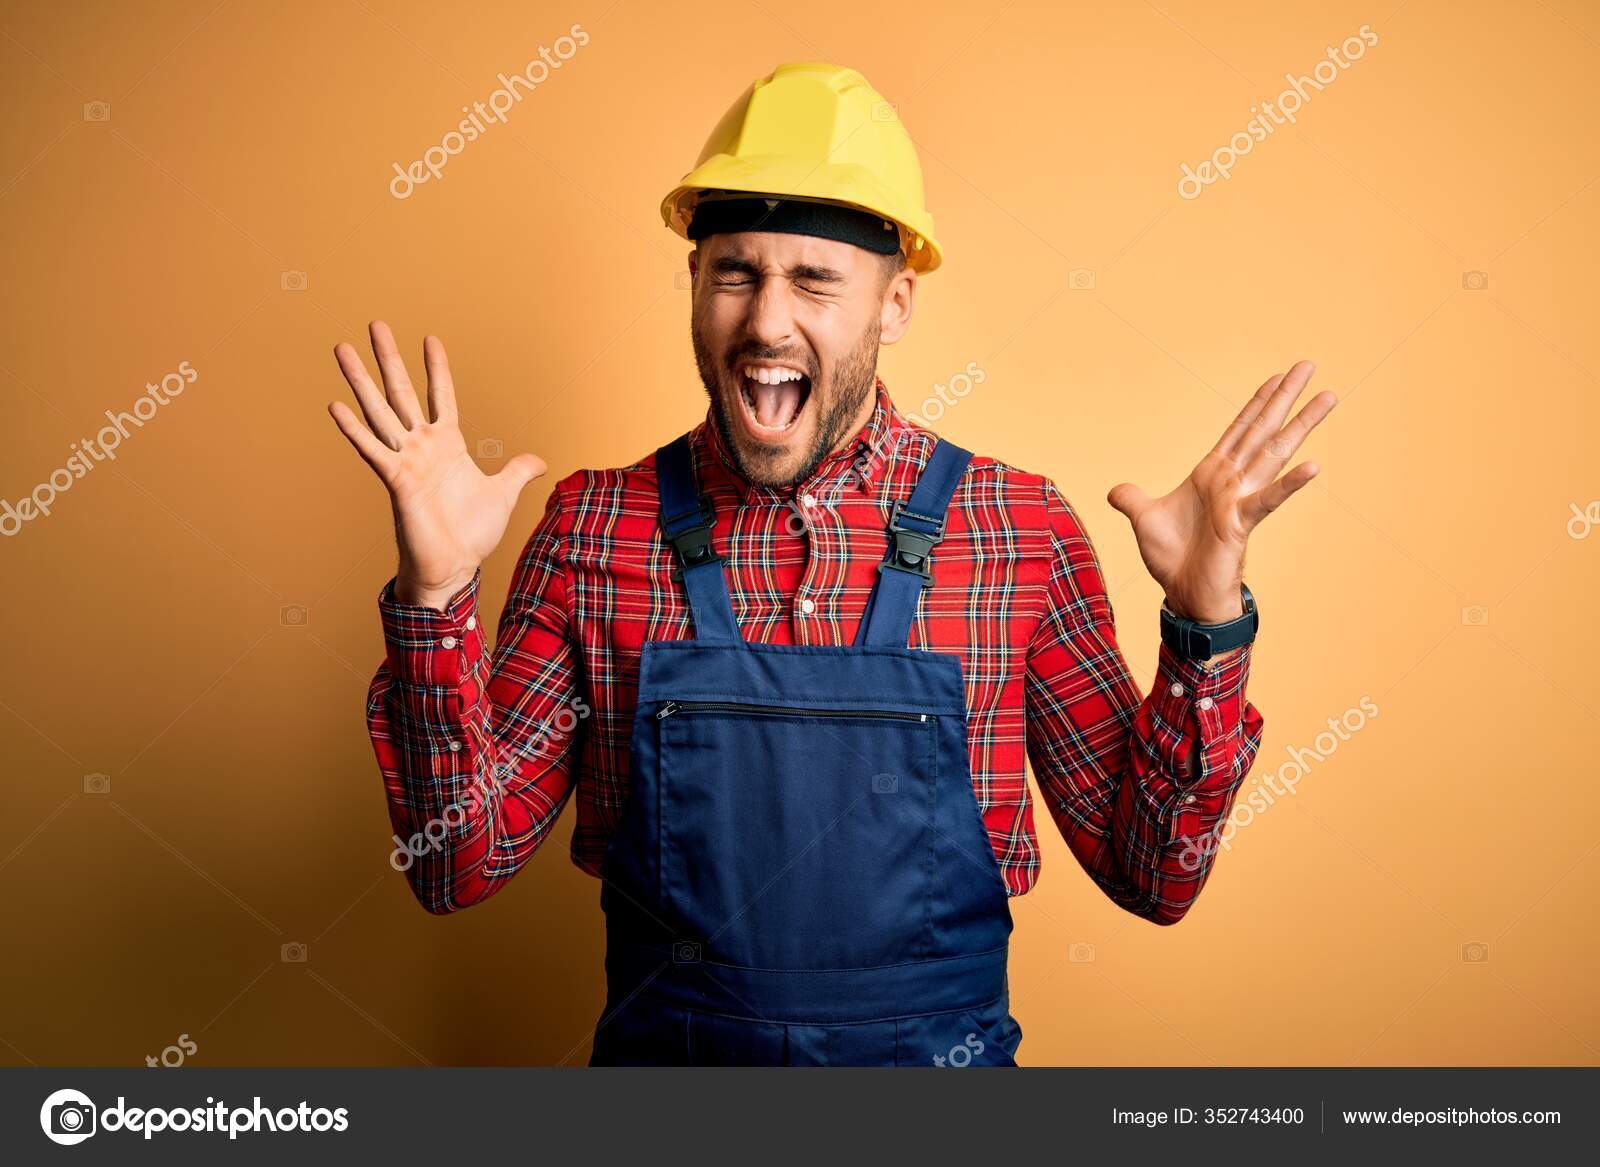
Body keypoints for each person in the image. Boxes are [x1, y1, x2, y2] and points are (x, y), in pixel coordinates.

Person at [327, 63, 1335, 1066]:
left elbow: (1153, 878)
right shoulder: (595, 527)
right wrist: (434, 598)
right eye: (736, 271)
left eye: (814, 279)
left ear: (894, 304)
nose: (766, 321)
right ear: (693, 280)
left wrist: (1207, 627)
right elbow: (453, 867)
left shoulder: (1017, 531)